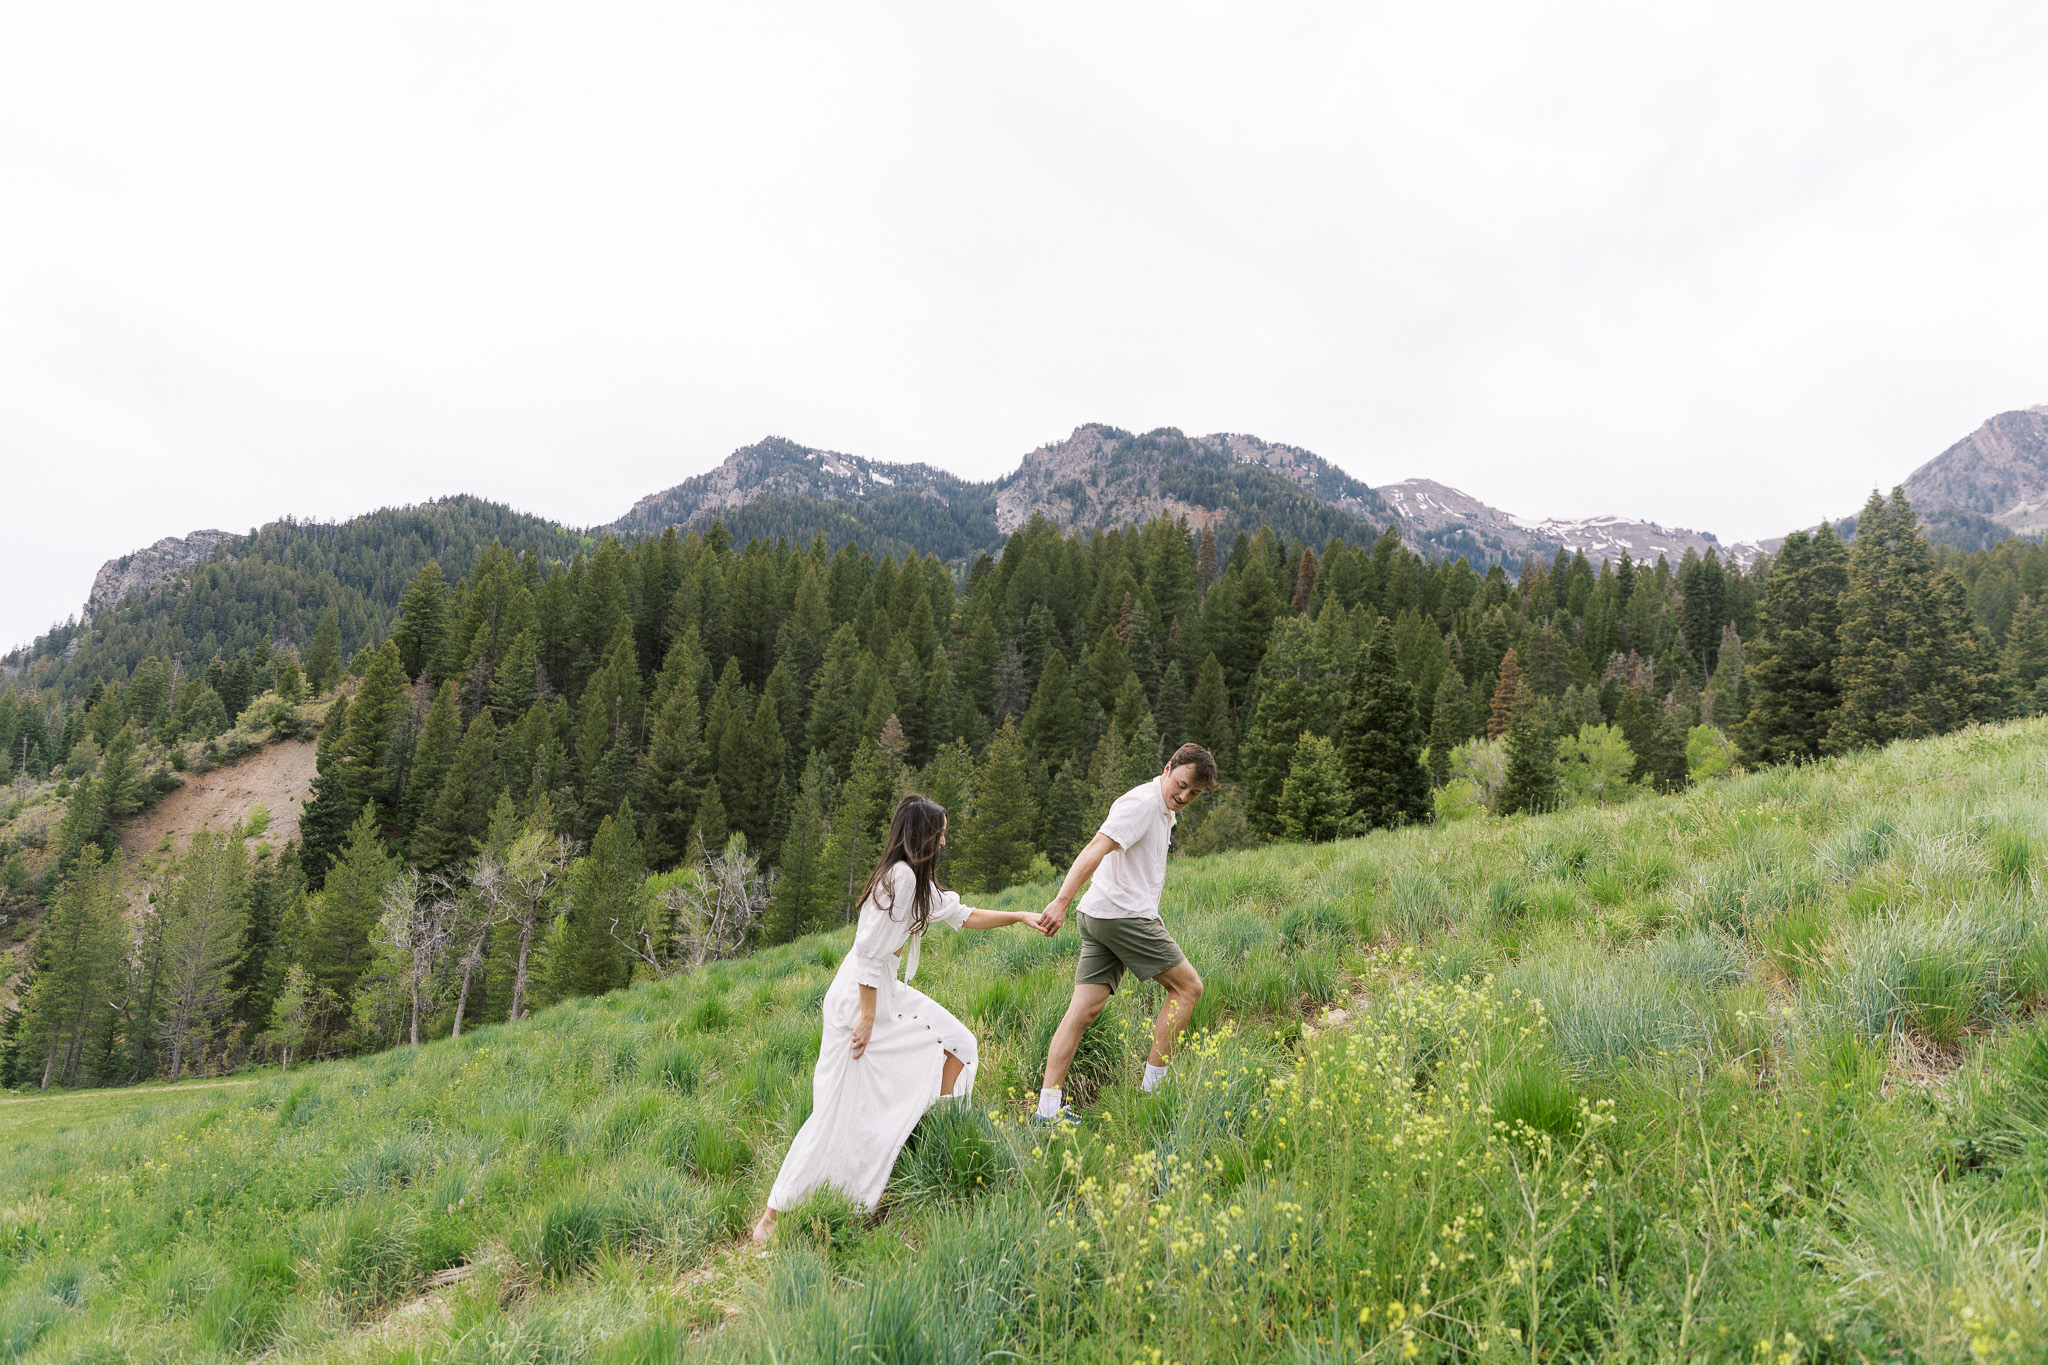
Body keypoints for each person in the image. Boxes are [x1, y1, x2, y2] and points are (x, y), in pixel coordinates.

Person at [753, 794, 1043, 1243]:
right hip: (859, 1000)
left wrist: (1021, 915)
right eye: (941, 832)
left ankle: (923, 1147)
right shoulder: (901, 878)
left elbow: (962, 915)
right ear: (923, 836)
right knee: (835, 1110)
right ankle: (773, 1217)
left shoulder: (913, 880)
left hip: (880, 992)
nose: (945, 841)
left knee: (960, 1046)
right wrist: (868, 1019)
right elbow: (869, 954)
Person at [1034, 743, 1220, 1121]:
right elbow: (1095, 847)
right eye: (1181, 784)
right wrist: (1061, 900)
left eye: (1195, 793)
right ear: (1167, 768)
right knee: (1188, 988)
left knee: (1082, 1012)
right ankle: (1155, 1096)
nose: (1184, 796)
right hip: (1121, 916)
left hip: (1103, 914)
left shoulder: (1163, 808)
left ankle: (1046, 1112)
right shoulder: (1142, 804)